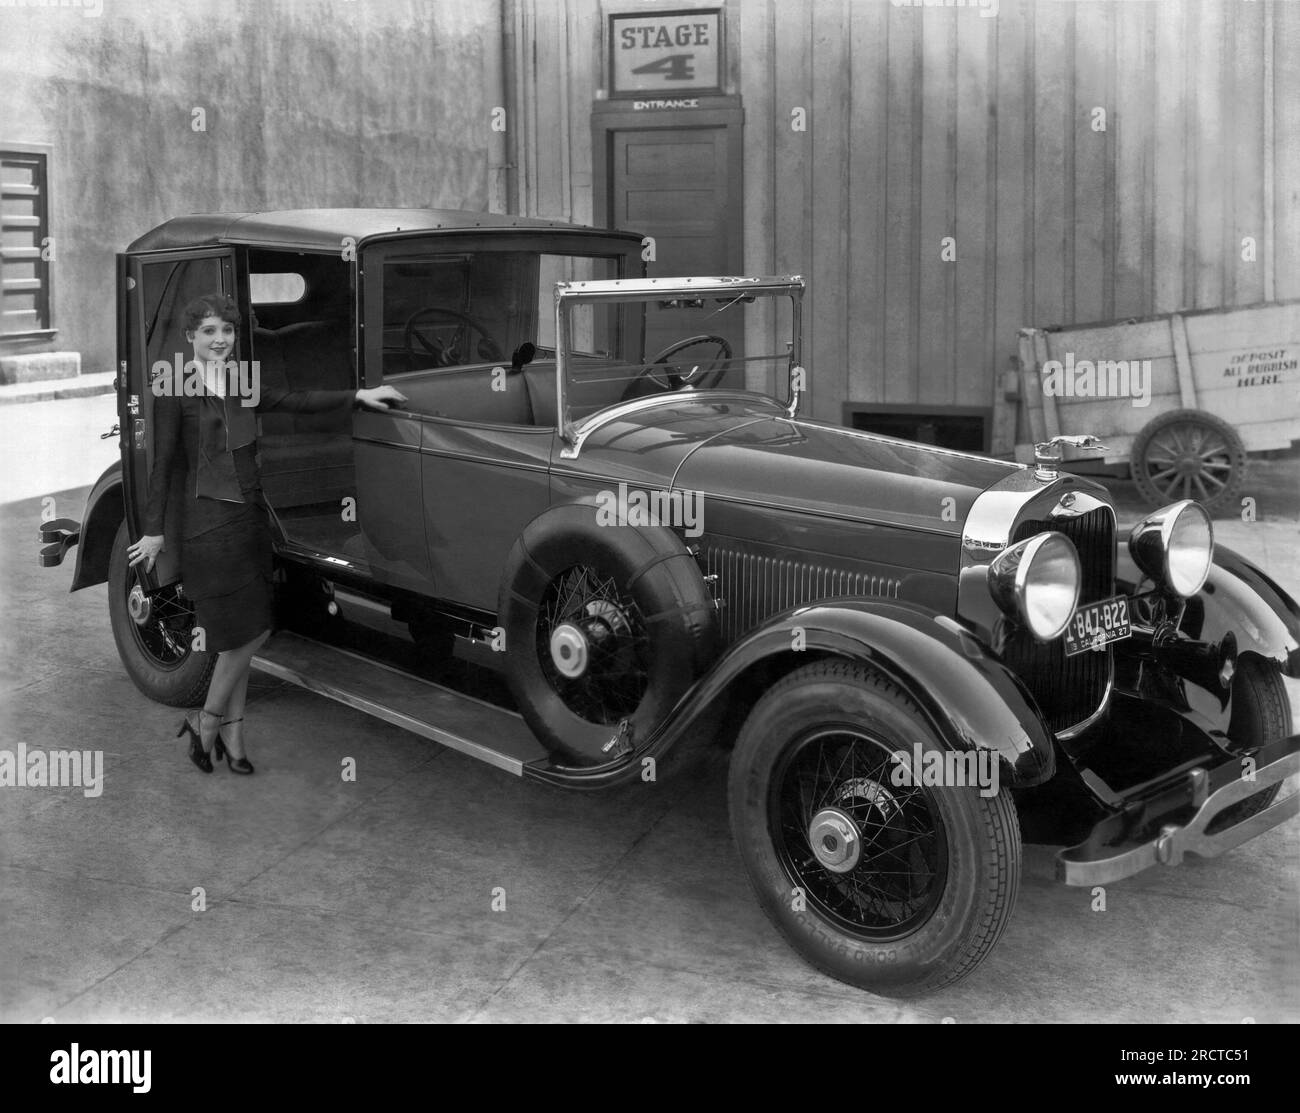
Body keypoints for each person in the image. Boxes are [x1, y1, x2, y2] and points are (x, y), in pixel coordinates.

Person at [127, 292, 406, 775]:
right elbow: (162, 467)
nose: (220, 340)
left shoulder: (244, 381)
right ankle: (207, 723)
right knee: (248, 633)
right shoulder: (173, 390)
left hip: (250, 519)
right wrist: (153, 532)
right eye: (209, 331)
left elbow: (294, 400)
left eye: (228, 331)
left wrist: (357, 396)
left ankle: (232, 736)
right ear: (191, 336)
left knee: (247, 629)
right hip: (207, 526)